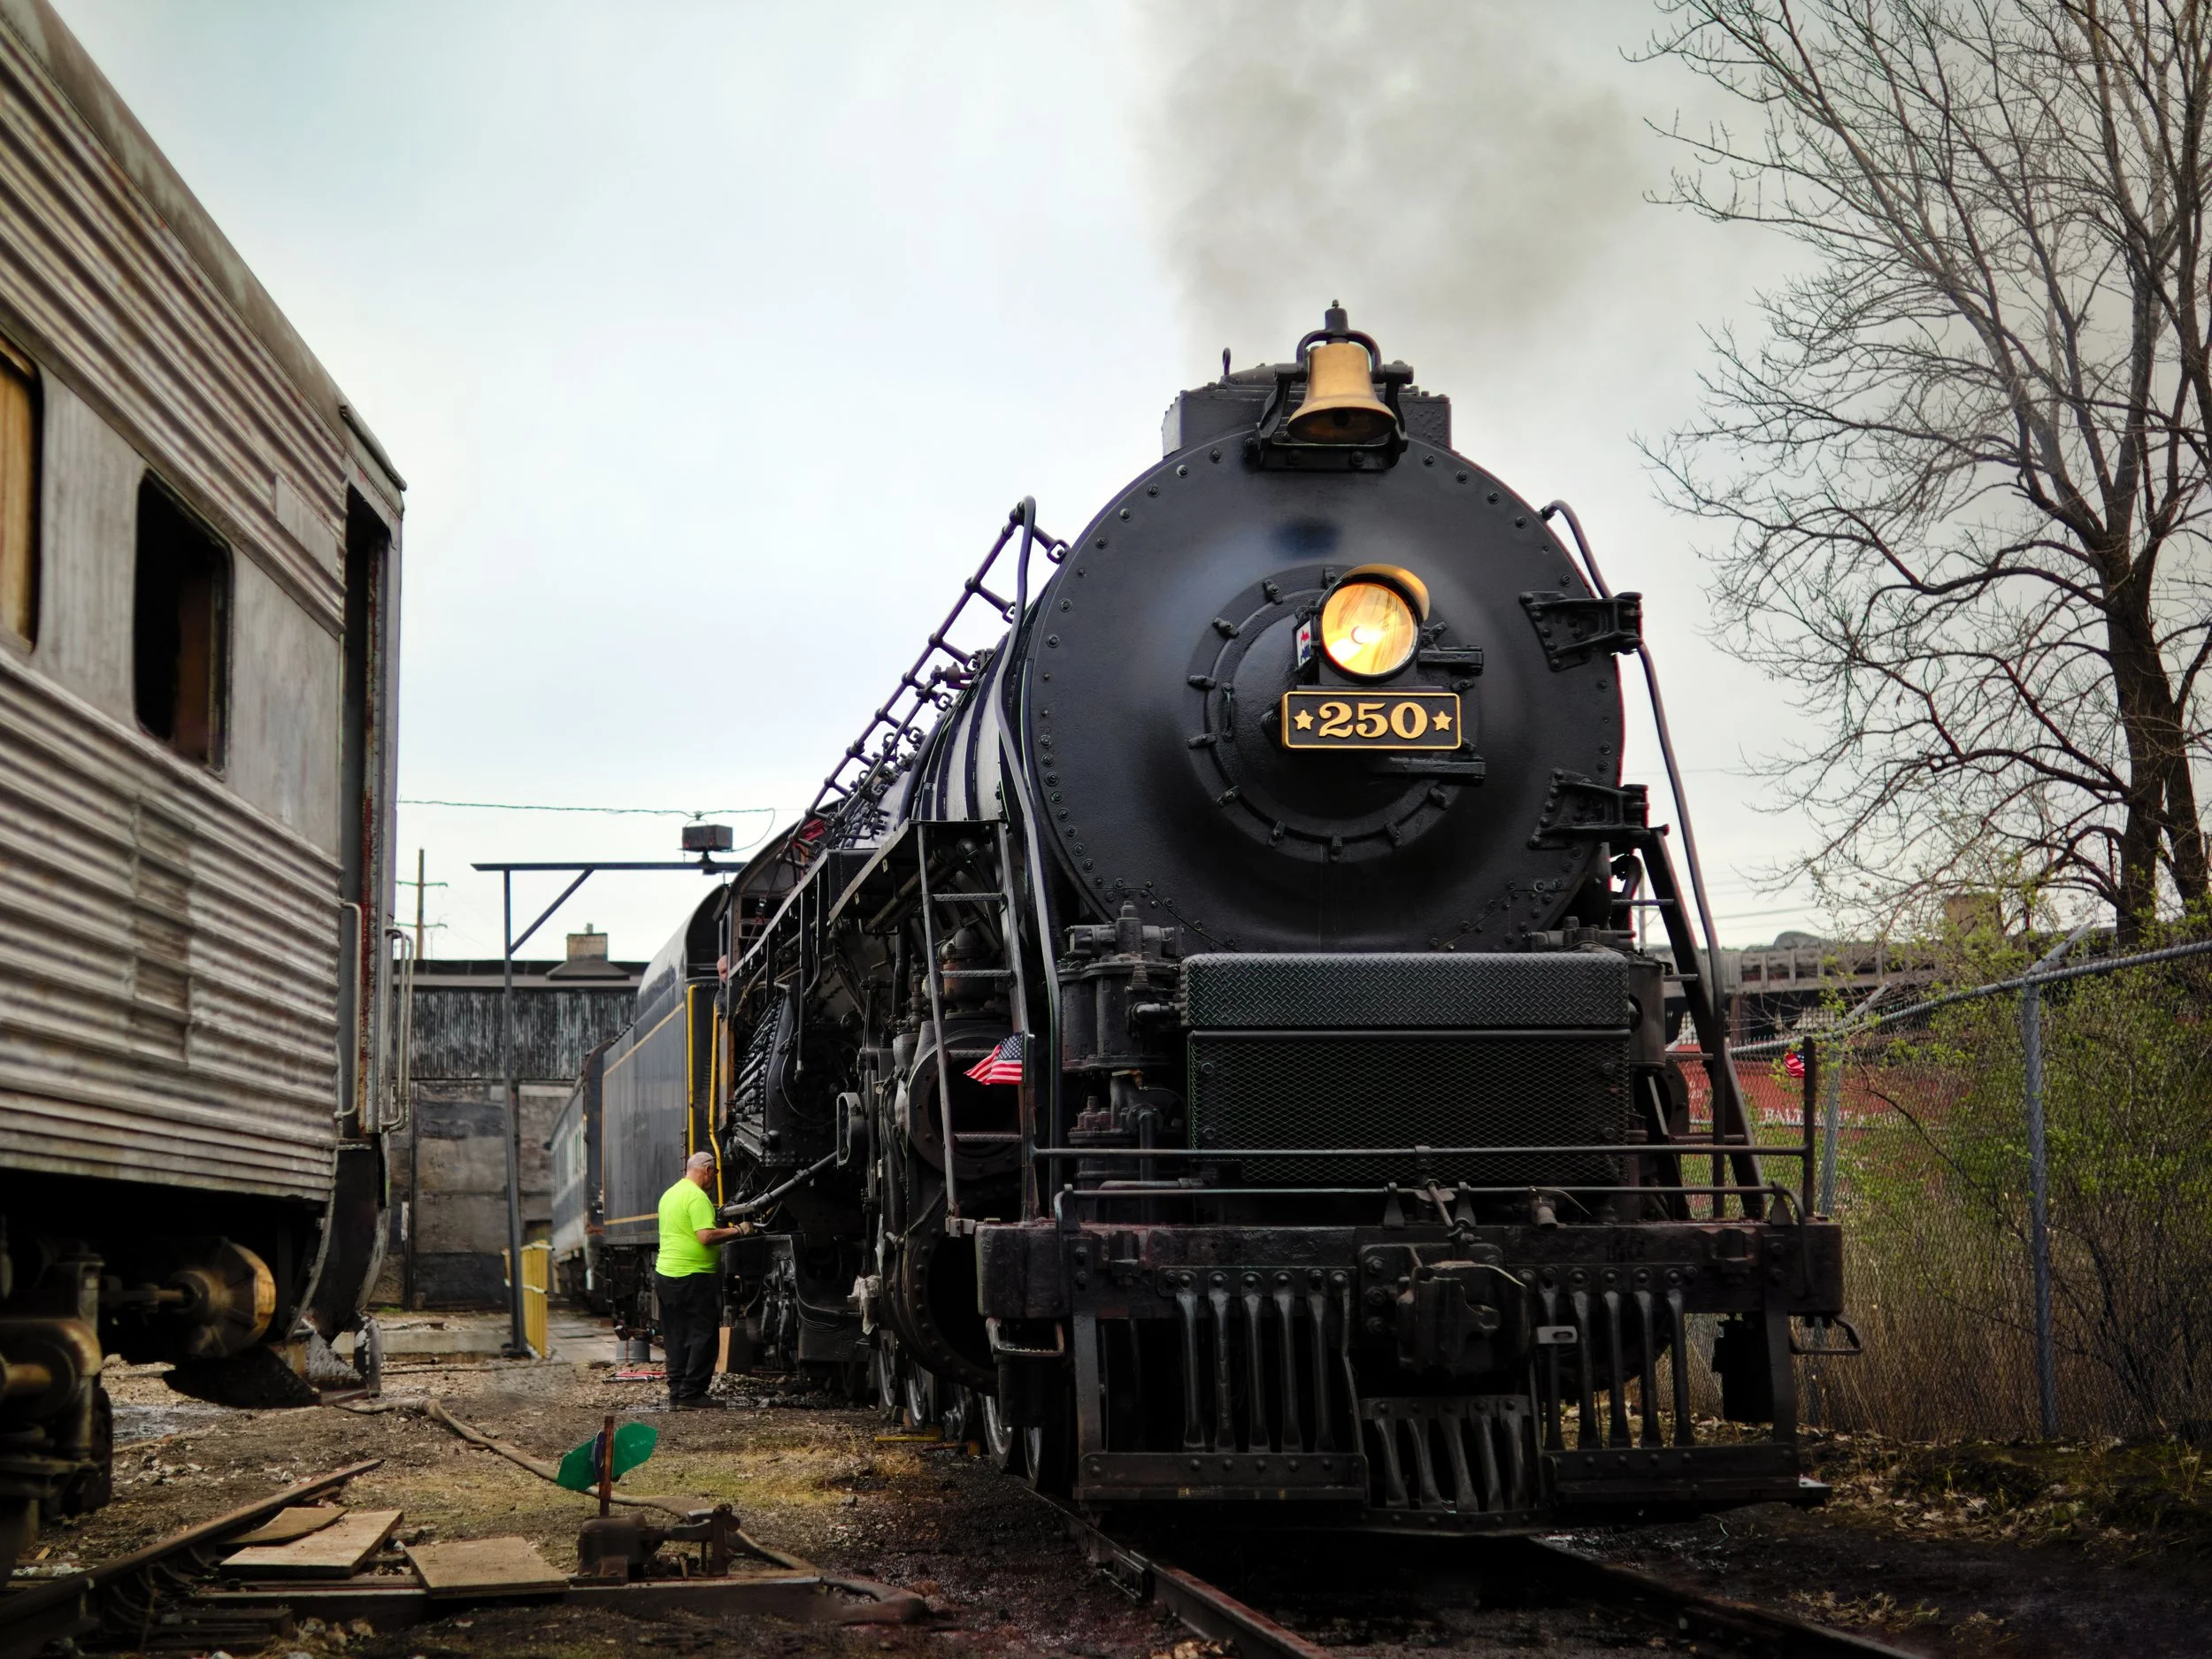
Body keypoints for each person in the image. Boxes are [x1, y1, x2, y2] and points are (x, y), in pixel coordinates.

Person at [655, 1151, 750, 1409]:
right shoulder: (697, 1198)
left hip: (665, 1274)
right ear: (707, 1170)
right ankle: (692, 1394)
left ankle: (677, 1391)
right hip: (693, 1276)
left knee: (675, 1335)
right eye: (715, 1173)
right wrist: (738, 1230)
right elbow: (705, 1237)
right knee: (703, 1336)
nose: (714, 1179)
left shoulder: (670, 1194)